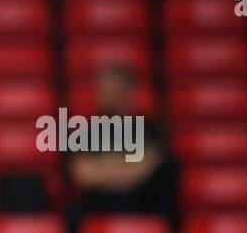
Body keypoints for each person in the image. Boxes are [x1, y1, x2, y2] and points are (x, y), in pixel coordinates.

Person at [67, 63, 176, 224]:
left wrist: (105, 168)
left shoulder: (150, 130)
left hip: (141, 208)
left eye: (109, 90)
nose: (101, 95)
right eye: (100, 89)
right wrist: (127, 170)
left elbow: (150, 168)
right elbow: (82, 174)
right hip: (98, 209)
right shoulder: (87, 131)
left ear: (127, 91)